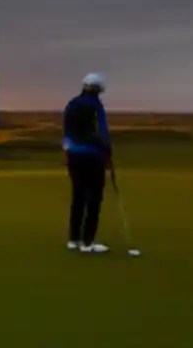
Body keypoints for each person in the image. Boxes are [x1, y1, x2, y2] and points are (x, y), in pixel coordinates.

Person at [63, 73, 112, 253]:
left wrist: (67, 151)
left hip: (74, 156)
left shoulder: (72, 104)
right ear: (99, 89)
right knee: (94, 199)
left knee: (78, 197)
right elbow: (102, 133)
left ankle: (73, 239)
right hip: (93, 156)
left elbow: (66, 132)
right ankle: (87, 242)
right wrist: (108, 154)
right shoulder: (96, 106)